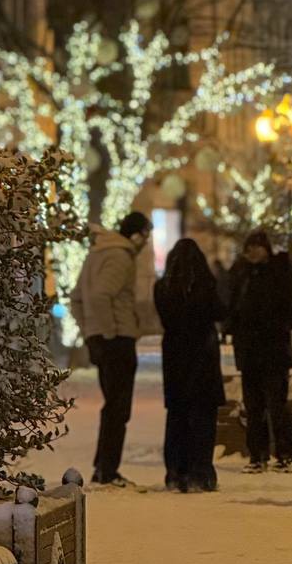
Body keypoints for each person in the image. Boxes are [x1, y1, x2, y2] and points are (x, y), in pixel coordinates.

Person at [70, 211, 151, 487]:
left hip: (100, 338)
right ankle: (107, 469)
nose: (146, 244)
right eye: (146, 236)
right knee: (119, 407)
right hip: (117, 340)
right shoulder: (120, 256)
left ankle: (102, 466)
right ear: (137, 233)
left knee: (112, 404)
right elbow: (100, 294)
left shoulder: (97, 253)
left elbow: (77, 297)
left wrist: (89, 331)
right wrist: (109, 332)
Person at [225, 229, 292, 473]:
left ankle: (287, 454)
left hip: (273, 349)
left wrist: (281, 326)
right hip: (249, 350)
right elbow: (231, 305)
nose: (253, 252)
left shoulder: (278, 273)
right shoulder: (241, 275)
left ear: (266, 249)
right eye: (249, 248)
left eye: (257, 247)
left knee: (277, 404)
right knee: (254, 405)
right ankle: (257, 455)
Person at [154, 239, 226, 492]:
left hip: (175, 355)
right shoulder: (206, 286)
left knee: (177, 415)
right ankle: (200, 471)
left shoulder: (162, 288)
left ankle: (176, 470)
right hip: (202, 355)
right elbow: (220, 311)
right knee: (203, 416)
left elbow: (165, 317)